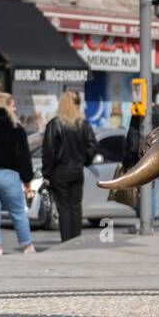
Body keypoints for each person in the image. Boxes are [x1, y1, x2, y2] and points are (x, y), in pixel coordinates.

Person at [0, 90, 36, 256]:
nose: (15, 109)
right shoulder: (15, 127)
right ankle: (27, 246)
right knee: (18, 213)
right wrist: (27, 179)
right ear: (5, 106)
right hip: (7, 174)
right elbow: (23, 156)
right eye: (13, 105)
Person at [41, 90, 98, 242]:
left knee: (64, 208)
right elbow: (92, 146)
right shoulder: (83, 125)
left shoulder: (55, 124)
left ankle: (66, 240)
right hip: (77, 171)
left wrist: (46, 173)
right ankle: (75, 240)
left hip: (59, 172)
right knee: (75, 207)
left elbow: (48, 151)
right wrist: (84, 161)